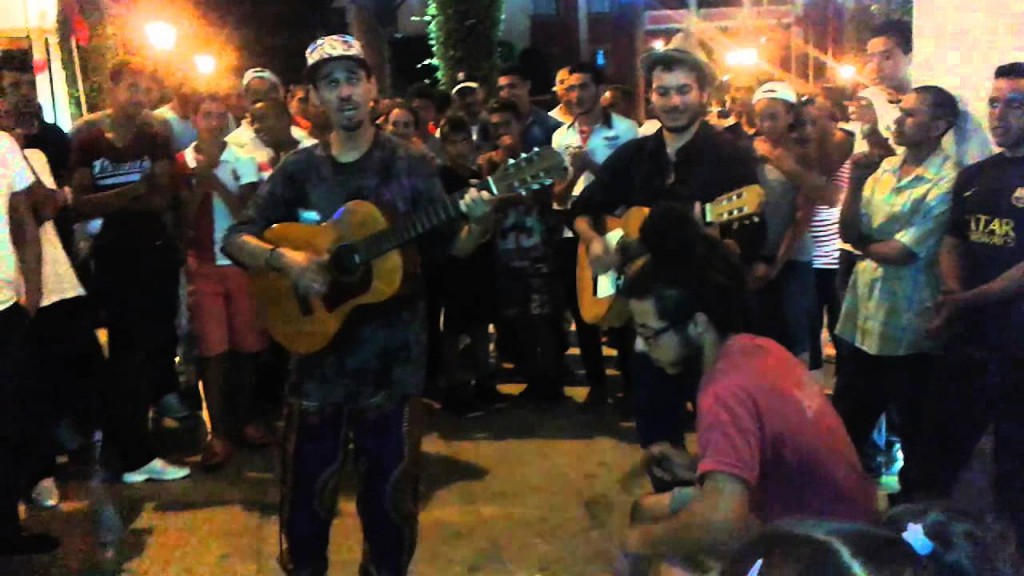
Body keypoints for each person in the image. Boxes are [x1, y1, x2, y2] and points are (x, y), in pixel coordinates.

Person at [223, 34, 494, 576]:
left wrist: (480, 223)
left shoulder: (412, 165)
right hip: (315, 365)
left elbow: (451, 248)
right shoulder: (300, 170)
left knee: (391, 506)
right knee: (304, 505)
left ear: (372, 87)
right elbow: (236, 238)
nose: (344, 92)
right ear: (315, 97)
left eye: (352, 79)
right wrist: (286, 261)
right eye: (331, 83)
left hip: (393, 366)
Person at [617, 204, 876, 571]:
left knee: (654, 543)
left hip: (824, 549)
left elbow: (722, 523)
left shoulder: (724, 390)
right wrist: (698, 466)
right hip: (841, 519)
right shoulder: (756, 348)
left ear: (697, 325)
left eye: (648, 334)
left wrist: (636, 542)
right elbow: (773, 462)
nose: (642, 348)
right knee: (646, 510)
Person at [570, 31, 761, 490]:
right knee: (656, 432)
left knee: (722, 429)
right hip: (645, 327)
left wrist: (712, 240)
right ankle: (671, 506)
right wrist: (595, 243)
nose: (673, 102)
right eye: (663, 92)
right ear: (650, 96)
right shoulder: (637, 154)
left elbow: (749, 243)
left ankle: (718, 511)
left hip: (705, 322)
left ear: (703, 94)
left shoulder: (730, 158)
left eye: (683, 90)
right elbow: (582, 209)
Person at [68, 57, 191, 484]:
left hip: (154, 252)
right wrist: (134, 191)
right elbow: (79, 204)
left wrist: (112, 198)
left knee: (154, 347)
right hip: (114, 258)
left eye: (146, 88)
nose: (140, 97)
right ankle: (133, 454)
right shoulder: (89, 139)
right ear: (113, 88)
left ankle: (134, 448)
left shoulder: (155, 135)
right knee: (126, 353)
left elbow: (162, 198)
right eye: (132, 87)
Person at [834, 86, 961, 498]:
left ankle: (910, 518)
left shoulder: (948, 180)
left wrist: (864, 244)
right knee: (844, 425)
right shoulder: (885, 168)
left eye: (910, 114)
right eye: (899, 111)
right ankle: (838, 504)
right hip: (864, 317)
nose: (898, 121)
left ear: (938, 126)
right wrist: (856, 183)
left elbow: (903, 252)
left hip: (909, 327)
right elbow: (848, 230)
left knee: (916, 433)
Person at [925, 62, 1024, 552]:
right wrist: (952, 292)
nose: (999, 114)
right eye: (994, 102)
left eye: (1015, 104)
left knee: (1013, 457)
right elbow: (953, 239)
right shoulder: (975, 175)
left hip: (1018, 342)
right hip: (969, 338)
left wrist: (965, 299)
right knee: (946, 444)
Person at [178, 93, 269, 470]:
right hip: (202, 264)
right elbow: (181, 220)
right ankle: (219, 432)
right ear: (194, 120)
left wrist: (214, 181)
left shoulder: (242, 159)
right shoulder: (181, 163)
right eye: (207, 115)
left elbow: (248, 215)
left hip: (239, 263)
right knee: (213, 351)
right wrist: (200, 184)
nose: (215, 123)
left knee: (247, 347)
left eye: (221, 116)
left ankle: (245, 420)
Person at [551, 62, 639, 406]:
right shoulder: (561, 136)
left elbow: (631, 187)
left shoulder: (627, 130)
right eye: (570, 88)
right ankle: (597, 385)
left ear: (600, 91)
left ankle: (630, 384)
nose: (576, 95)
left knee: (620, 306)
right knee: (582, 308)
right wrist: (575, 174)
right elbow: (558, 196)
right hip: (572, 230)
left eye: (583, 87)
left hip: (614, 227)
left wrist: (593, 167)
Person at [478, 97, 566, 404]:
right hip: (504, 254)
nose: (501, 131)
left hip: (537, 253)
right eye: (495, 126)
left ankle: (551, 384)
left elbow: (540, 197)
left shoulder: (535, 159)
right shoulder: (488, 162)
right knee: (516, 322)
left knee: (543, 320)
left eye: (506, 124)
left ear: (521, 125)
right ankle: (532, 380)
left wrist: (499, 198)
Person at [0, 128, 53, 556]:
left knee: (11, 423)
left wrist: (32, 292)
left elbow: (22, 217)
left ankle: (6, 528)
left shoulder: (3, 146)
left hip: (4, 307)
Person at [746, 81, 821, 364]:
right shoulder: (749, 150)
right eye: (760, 117)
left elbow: (802, 218)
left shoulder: (804, 155)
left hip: (792, 258)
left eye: (773, 117)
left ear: (790, 115)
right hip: (756, 257)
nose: (765, 125)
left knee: (795, 337)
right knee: (758, 338)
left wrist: (775, 266)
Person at [435, 114, 498, 413]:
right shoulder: (440, 179)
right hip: (452, 262)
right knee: (453, 328)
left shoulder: (476, 176)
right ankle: (453, 389)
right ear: (444, 146)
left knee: (480, 323)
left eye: (465, 141)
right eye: (453, 142)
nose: (460, 148)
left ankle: (485, 384)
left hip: (480, 259)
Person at [496, 64, 563, 151]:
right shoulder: (492, 126)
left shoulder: (549, 126)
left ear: (527, 85)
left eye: (512, 87)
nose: (506, 93)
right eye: (501, 89)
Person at [248, 98, 317, 179]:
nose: (255, 127)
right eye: (253, 122)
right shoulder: (263, 165)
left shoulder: (314, 153)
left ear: (284, 119)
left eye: (263, 119)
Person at [154, 79, 199, 153]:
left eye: (193, 94)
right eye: (184, 97)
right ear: (176, 95)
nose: (189, 100)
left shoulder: (199, 117)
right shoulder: (158, 116)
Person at [450, 80, 491, 152]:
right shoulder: (450, 129)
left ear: (482, 94)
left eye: (472, 94)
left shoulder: (494, 123)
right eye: (462, 96)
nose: (468, 100)